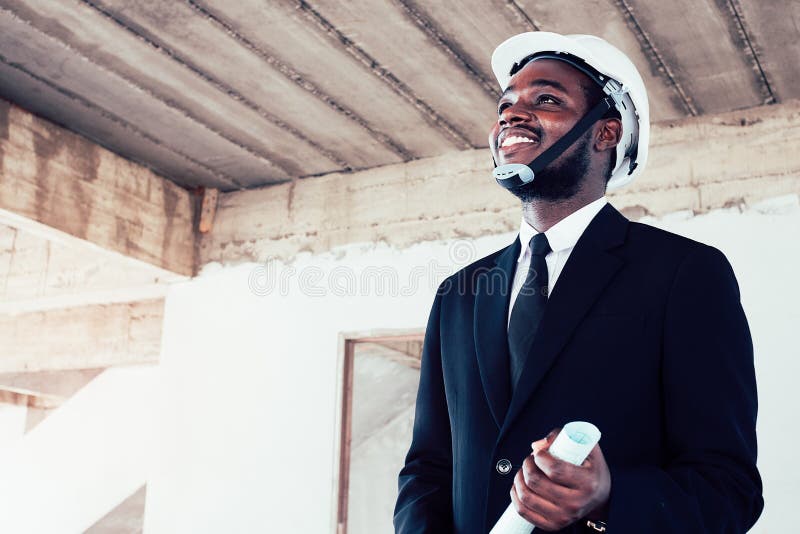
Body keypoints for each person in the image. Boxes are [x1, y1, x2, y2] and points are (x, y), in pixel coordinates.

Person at [394, 32, 763, 533]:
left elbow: (729, 490)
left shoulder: (685, 273)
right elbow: (428, 469)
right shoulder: (459, 292)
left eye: (546, 99)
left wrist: (610, 499)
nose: (511, 116)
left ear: (606, 133)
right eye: (506, 105)